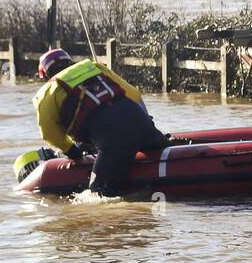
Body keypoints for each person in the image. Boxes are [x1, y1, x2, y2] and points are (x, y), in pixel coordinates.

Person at [33, 48, 170, 197]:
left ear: (45, 74)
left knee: (98, 195)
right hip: (140, 122)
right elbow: (134, 94)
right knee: (165, 149)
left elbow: (50, 134)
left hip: (112, 139)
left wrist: (73, 152)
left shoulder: (46, 93)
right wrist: (147, 122)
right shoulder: (93, 67)